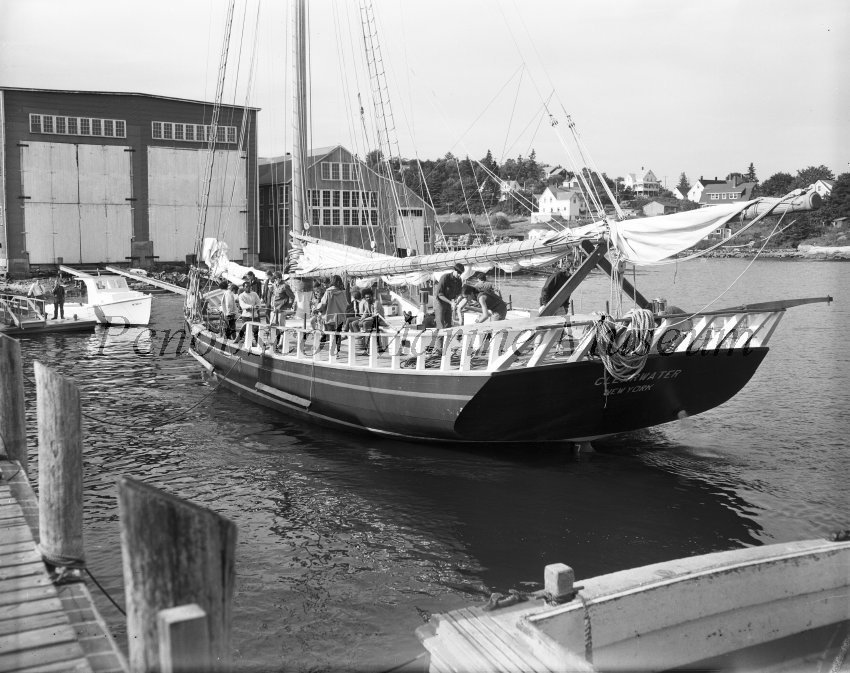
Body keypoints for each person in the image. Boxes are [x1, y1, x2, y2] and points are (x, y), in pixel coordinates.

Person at [432, 263, 464, 352]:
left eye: (461, 274)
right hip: (440, 302)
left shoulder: (459, 280)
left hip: (450, 303)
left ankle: (446, 348)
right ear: (454, 270)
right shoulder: (445, 278)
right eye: (458, 273)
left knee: (448, 325)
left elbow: (459, 293)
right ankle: (438, 349)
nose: (459, 275)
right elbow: (439, 294)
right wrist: (451, 302)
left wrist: (456, 300)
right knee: (441, 325)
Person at [313, 275, 349, 353]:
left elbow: (323, 303)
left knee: (331, 334)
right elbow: (346, 304)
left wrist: (317, 309)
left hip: (330, 316)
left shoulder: (328, 291)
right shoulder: (343, 292)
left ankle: (332, 351)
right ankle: (337, 350)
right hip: (340, 317)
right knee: (338, 333)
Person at [237, 281, 262, 346]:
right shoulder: (241, 295)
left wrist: (256, 307)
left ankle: (257, 344)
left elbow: (259, 303)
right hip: (246, 316)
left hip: (255, 315)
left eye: (249, 286)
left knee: (256, 330)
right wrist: (250, 307)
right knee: (247, 330)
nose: (248, 288)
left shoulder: (254, 294)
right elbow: (242, 305)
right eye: (246, 286)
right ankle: (247, 344)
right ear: (244, 287)